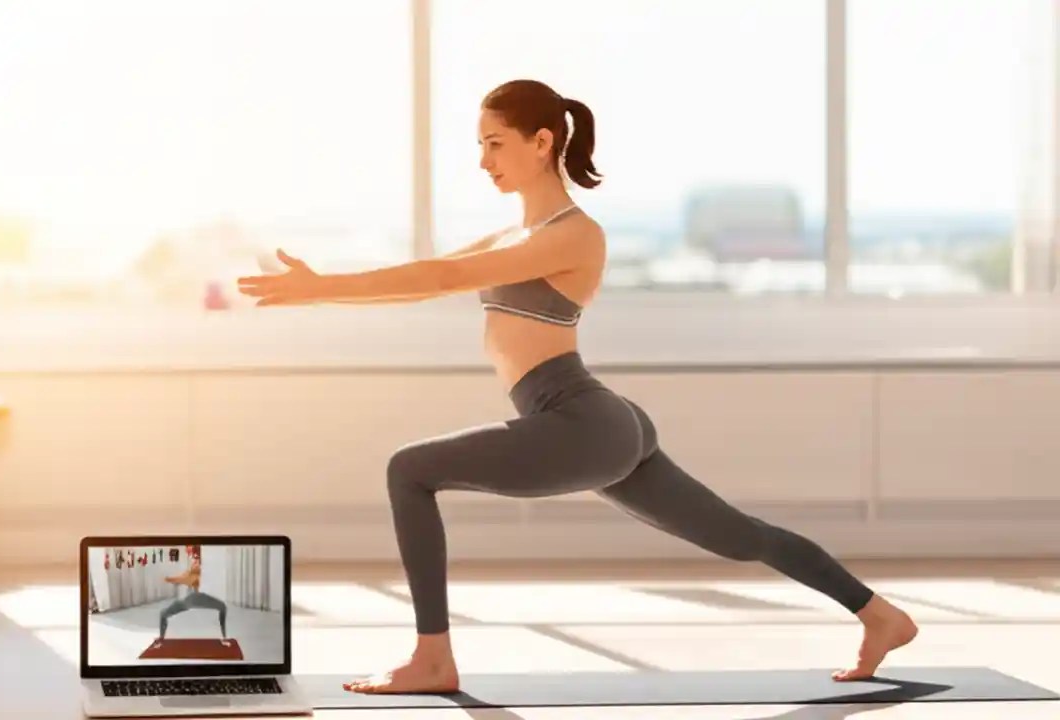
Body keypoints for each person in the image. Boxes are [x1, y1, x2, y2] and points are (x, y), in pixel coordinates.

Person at [236, 78, 919, 694]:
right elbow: (427, 274)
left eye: (495, 143)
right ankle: (879, 615)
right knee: (739, 537)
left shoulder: (573, 235)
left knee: (407, 470)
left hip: (578, 419)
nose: (483, 160)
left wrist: (321, 288)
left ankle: (432, 658)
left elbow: (441, 281)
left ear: (542, 143)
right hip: (592, 418)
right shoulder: (518, 232)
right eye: (478, 144)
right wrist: (318, 293)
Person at [159, 553, 229, 640]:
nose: (195, 564)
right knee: (163, 614)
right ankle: (224, 635)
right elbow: (180, 579)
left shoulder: (196, 574)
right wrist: (172, 580)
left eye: (197, 562)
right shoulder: (190, 573)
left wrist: (169, 579)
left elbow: (182, 580)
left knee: (222, 606)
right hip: (191, 600)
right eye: (194, 562)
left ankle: (224, 635)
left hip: (195, 599)